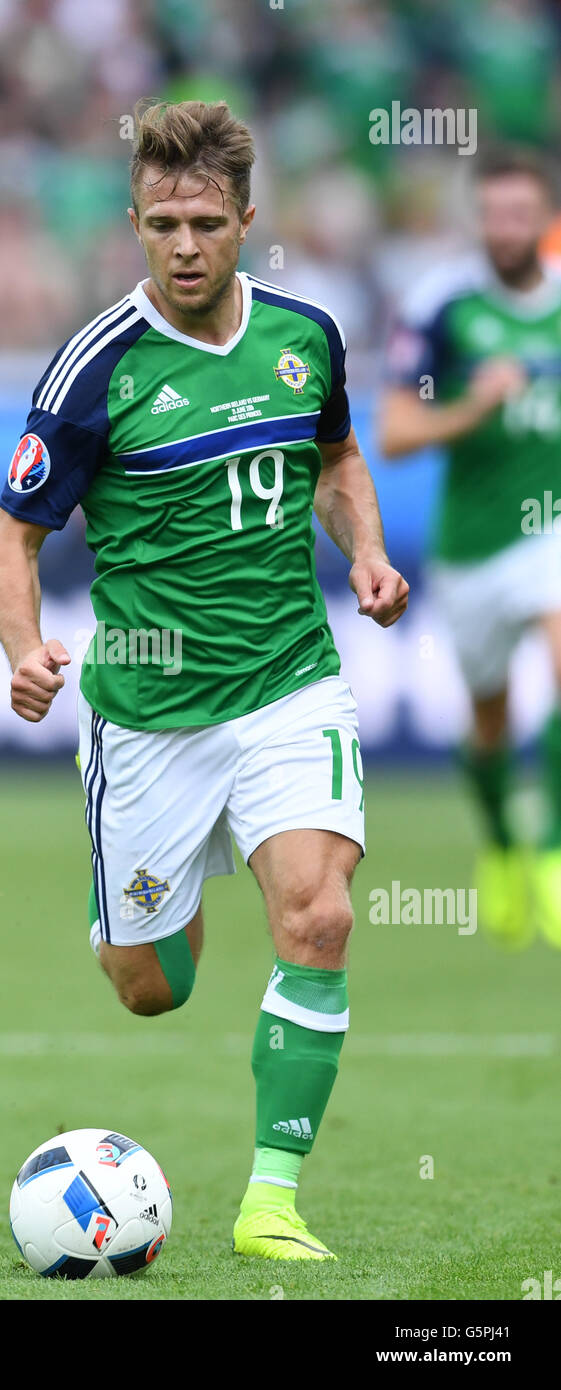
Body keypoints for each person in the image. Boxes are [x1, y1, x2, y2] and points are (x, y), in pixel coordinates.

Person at [0, 100, 408, 1262]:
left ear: (244, 221)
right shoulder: (93, 369)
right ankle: (126, 906)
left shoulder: (306, 336)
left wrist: (363, 553)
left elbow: (334, 459)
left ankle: (271, 1200)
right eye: (162, 223)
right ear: (132, 222)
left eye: (205, 223)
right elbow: (13, 538)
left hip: (288, 682)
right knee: (149, 988)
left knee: (317, 919)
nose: (183, 244)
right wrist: (24, 650)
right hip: (149, 713)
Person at [378, 148, 561, 952]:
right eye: (492, 216)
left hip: (547, 530)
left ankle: (552, 849)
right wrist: (470, 407)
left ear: (544, 219)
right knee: (489, 722)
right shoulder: (441, 307)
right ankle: (499, 841)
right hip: (471, 549)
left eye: (520, 215)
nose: (505, 231)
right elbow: (392, 433)